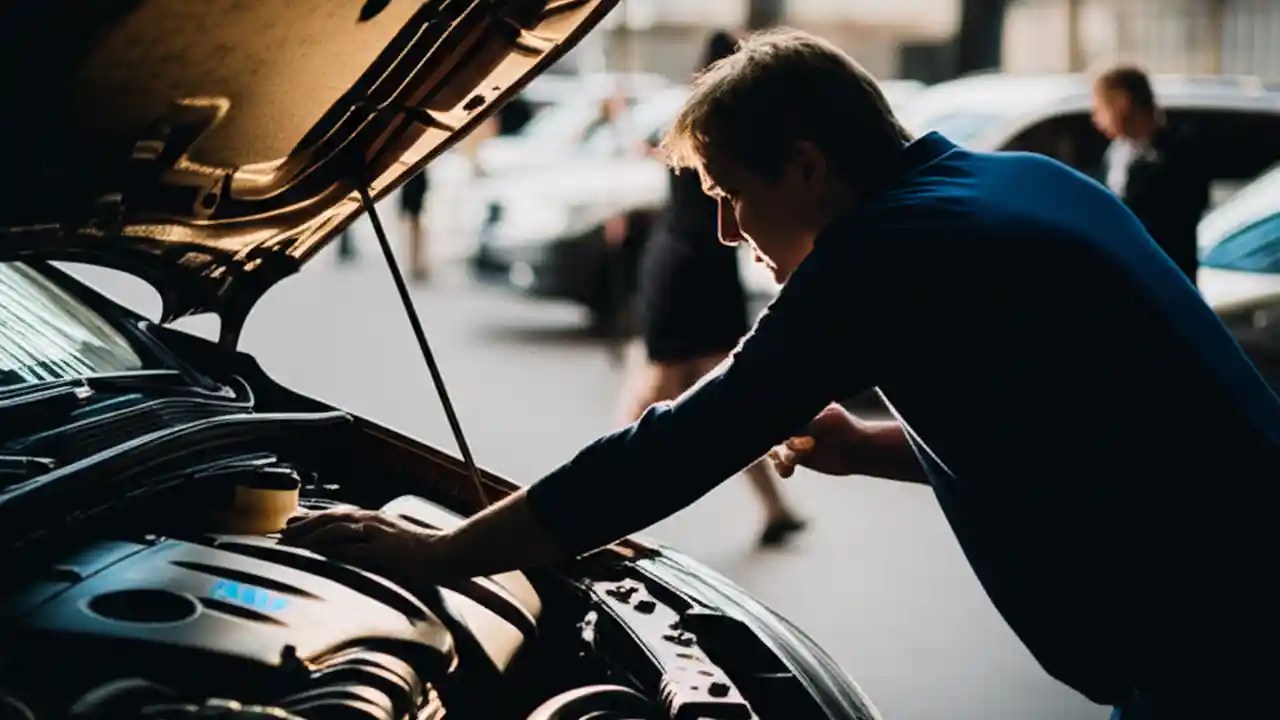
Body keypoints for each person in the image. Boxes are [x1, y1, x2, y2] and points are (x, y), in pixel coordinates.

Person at [282, 29, 1277, 719]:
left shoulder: (879, 256)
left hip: (1218, 654)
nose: (723, 229)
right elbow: (1054, 434)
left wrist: (434, 557)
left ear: (803, 166)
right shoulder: (1010, 182)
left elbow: (671, 451)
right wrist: (864, 447)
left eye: (729, 193)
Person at [617, 28, 805, 547]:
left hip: (677, 263)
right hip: (699, 270)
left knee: (681, 392)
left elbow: (660, 157)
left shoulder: (689, 121)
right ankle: (606, 501)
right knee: (704, 393)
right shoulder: (734, 129)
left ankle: (605, 496)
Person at [1090, 64, 1211, 283]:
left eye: (1101, 108)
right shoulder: (1116, 153)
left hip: (1168, 276)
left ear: (1122, 102)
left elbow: (1180, 215)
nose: (1096, 118)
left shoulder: (1178, 151)